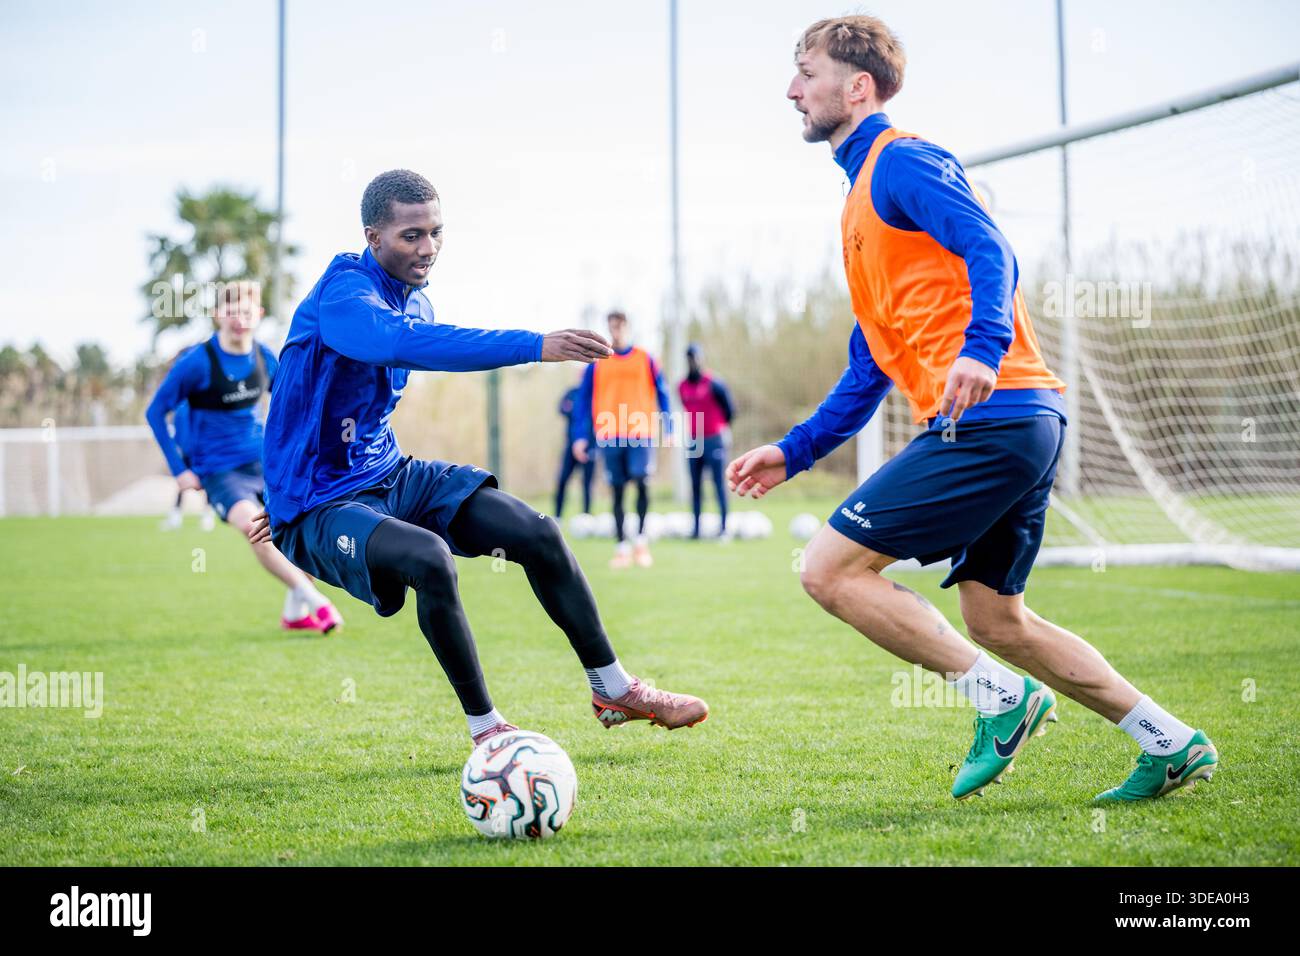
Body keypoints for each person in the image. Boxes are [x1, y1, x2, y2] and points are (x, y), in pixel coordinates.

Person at [728, 15, 1216, 802]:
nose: (792, 89)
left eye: (806, 72)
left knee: (827, 570)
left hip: (994, 418)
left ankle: (1002, 699)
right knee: (997, 622)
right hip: (1017, 424)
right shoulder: (859, 205)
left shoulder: (904, 162)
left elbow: (993, 247)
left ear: (858, 87)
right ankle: (1170, 741)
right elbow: (871, 362)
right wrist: (796, 450)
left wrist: (982, 349)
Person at [248, 169, 708, 746]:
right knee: (430, 558)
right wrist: (534, 345)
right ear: (373, 238)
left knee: (538, 532)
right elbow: (395, 344)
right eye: (411, 235)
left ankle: (613, 687)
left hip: (387, 473)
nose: (428, 248)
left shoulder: (417, 303)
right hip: (321, 502)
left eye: (436, 233)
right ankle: (489, 732)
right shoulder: (343, 297)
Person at [146, 282, 342, 633]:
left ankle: (295, 613)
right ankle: (318, 604)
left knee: (305, 529)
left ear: (258, 315)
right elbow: (155, 412)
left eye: (247, 312)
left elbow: (292, 406)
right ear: (218, 315)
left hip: (265, 462)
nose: (240, 319)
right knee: (256, 529)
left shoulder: (263, 357)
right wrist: (179, 470)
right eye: (232, 311)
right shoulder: (197, 363)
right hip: (220, 472)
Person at [572, 311, 671, 569]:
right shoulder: (597, 362)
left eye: (619, 326)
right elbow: (582, 401)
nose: (616, 331)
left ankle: (640, 541)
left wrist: (669, 428)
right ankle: (621, 547)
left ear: (626, 327)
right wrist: (581, 437)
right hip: (610, 432)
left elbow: (663, 393)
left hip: (641, 432)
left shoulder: (645, 358)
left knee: (642, 481)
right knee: (616, 490)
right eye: (611, 327)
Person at [677, 342, 735, 539]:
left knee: (719, 483)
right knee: (695, 485)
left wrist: (717, 427)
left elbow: (730, 410)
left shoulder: (714, 383)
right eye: (690, 358)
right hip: (694, 441)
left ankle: (724, 528)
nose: (693, 362)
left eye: (696, 358)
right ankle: (696, 529)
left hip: (714, 440)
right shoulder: (682, 386)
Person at [553, 375, 594, 518]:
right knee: (562, 479)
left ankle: (586, 516)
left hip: (591, 446)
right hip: (571, 445)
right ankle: (558, 516)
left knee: (587, 483)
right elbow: (562, 408)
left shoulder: (595, 393)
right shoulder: (572, 392)